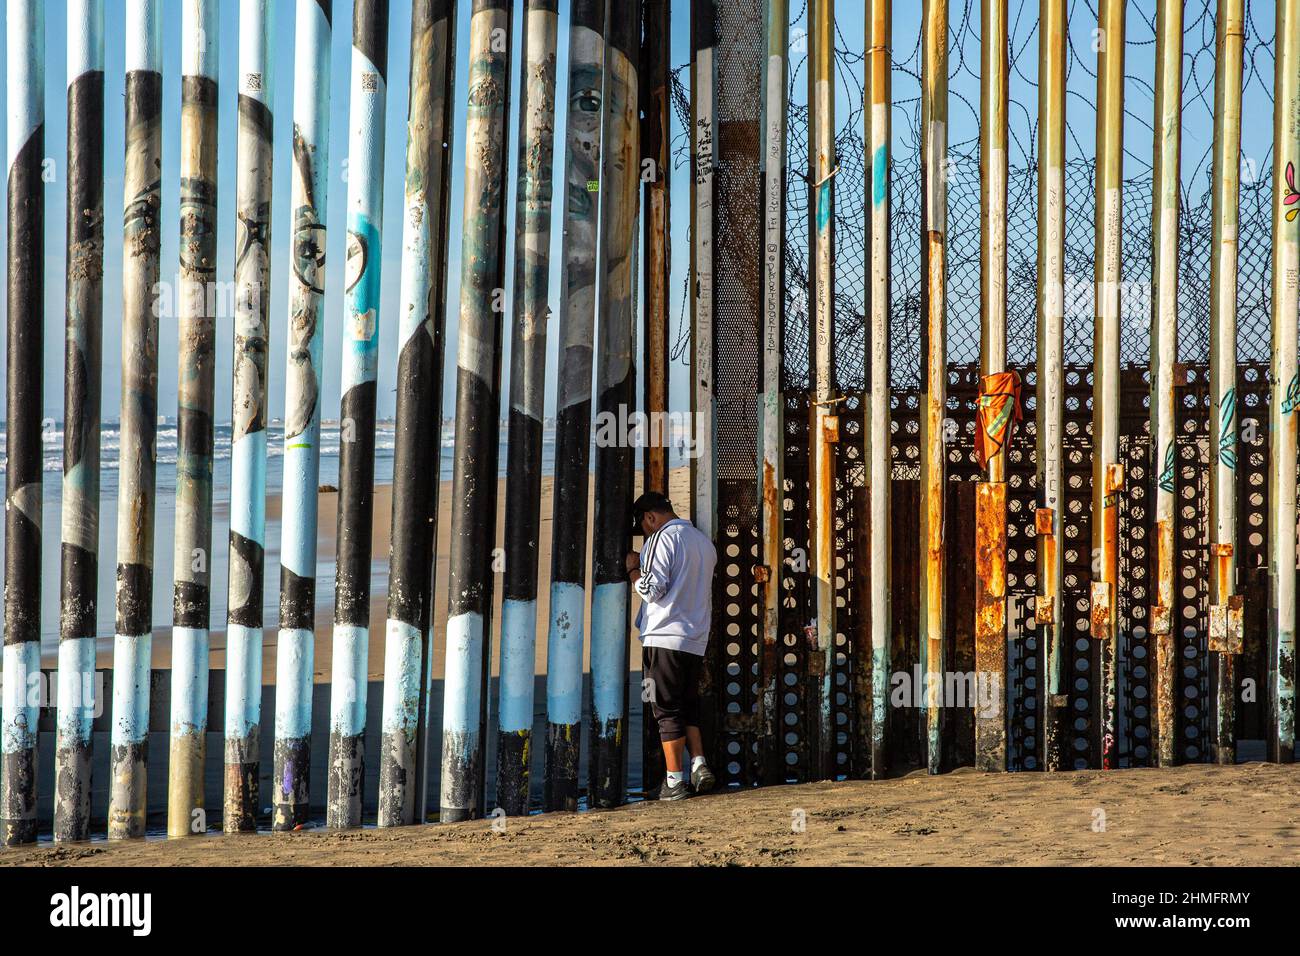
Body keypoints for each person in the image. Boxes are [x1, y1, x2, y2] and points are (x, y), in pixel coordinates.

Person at [626, 491, 718, 801]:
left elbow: (652, 589)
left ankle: (674, 781)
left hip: (664, 636)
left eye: (644, 525)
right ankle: (699, 765)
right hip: (695, 639)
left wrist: (633, 569)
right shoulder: (703, 542)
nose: (645, 531)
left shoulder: (660, 538)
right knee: (687, 705)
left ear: (650, 518)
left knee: (665, 710)